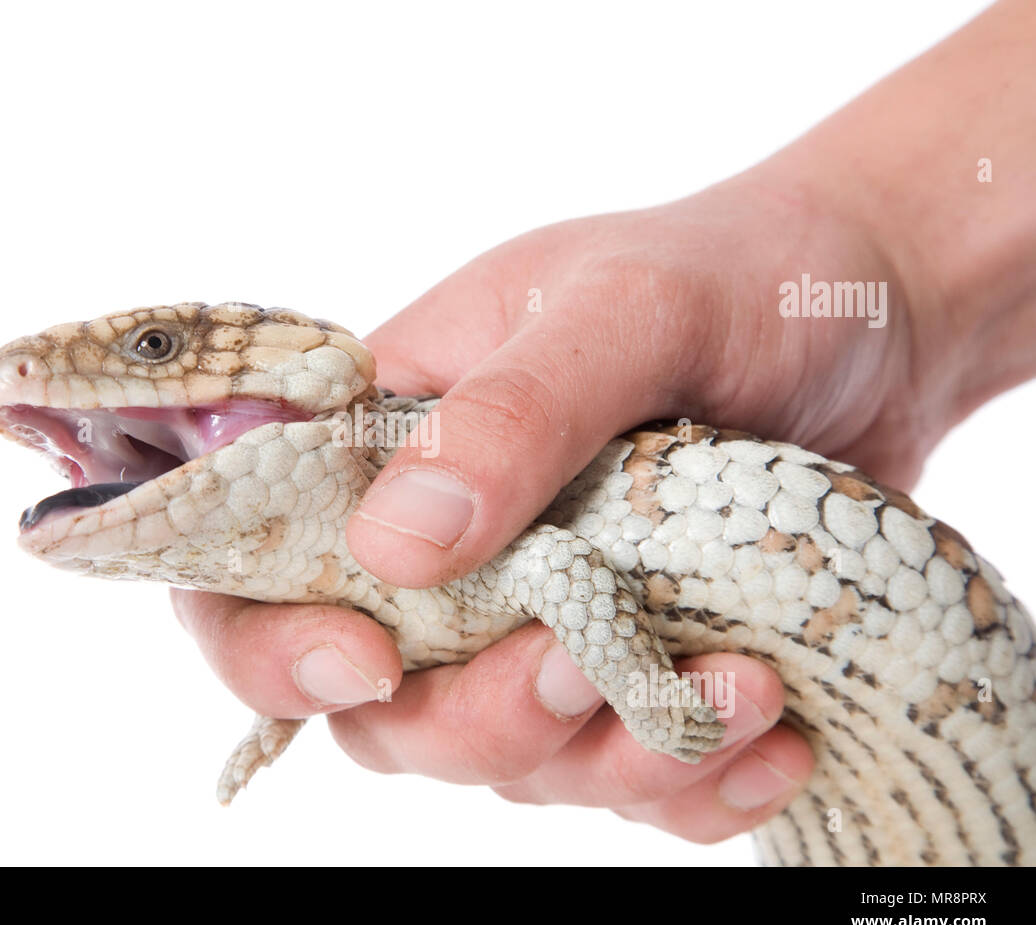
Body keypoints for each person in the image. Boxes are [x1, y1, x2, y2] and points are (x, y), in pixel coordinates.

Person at [172, 0, 1036, 844]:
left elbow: (553, 563)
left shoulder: (394, 453)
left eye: (156, 347)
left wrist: (661, 708)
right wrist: (895, 274)